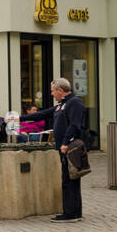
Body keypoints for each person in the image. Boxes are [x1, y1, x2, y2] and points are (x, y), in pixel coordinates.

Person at [21, 78, 89, 222]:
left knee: (69, 179)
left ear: (60, 90)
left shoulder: (74, 103)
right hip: (64, 147)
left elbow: (74, 124)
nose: (52, 94)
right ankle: (74, 212)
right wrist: (19, 119)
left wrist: (65, 142)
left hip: (69, 147)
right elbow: (42, 114)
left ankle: (70, 213)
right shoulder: (62, 104)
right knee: (71, 177)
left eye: (53, 91)